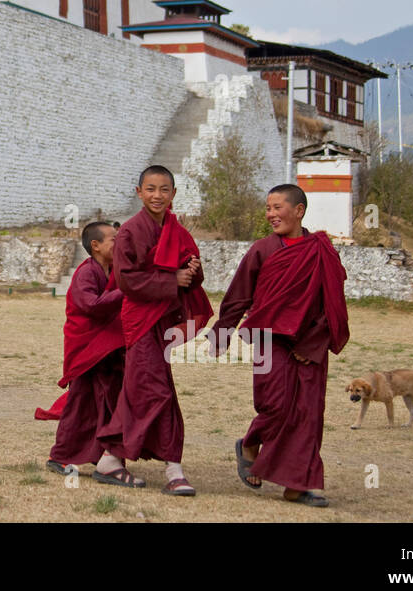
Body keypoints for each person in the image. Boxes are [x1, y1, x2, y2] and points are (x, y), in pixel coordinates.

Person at [208, 184, 350, 507]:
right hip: (269, 337)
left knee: (309, 413)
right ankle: (250, 442)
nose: (271, 214)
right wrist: (222, 332)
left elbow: (334, 304)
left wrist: (314, 342)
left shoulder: (322, 251)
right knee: (276, 404)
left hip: (310, 342)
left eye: (277, 208)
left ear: (298, 211)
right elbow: (239, 293)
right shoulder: (262, 249)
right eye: (268, 208)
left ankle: (296, 485)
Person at [95, 166, 211, 494]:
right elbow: (128, 280)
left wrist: (191, 270)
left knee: (143, 387)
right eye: (150, 189)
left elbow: (192, 265)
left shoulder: (176, 228)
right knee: (155, 388)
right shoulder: (131, 231)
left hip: (162, 318)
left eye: (164, 189)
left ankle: (112, 458)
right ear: (139, 192)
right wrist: (170, 280)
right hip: (139, 317)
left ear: (173, 194)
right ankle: (171, 467)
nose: (157, 196)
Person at [38, 221, 125, 475]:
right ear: (96, 246)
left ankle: (102, 455)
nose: (118, 243)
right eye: (113, 240)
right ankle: (60, 456)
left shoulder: (112, 270)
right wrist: (126, 292)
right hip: (87, 349)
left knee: (106, 404)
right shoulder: (86, 273)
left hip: (105, 351)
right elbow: (92, 306)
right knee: (79, 406)